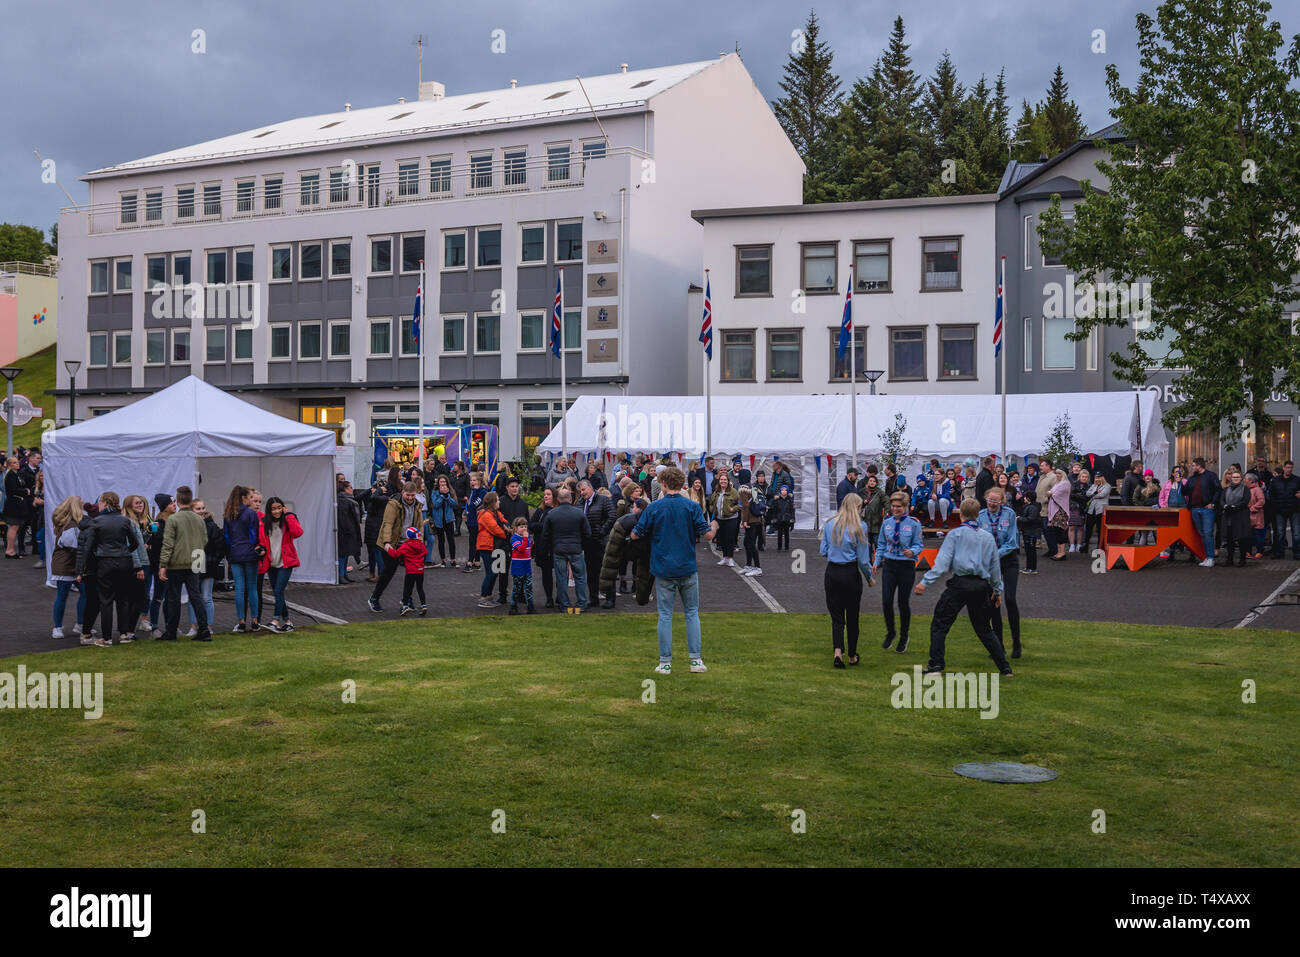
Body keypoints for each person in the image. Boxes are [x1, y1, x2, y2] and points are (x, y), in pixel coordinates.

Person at [914, 498, 1013, 677]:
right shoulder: (987, 536)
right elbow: (994, 568)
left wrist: (925, 581)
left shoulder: (955, 534)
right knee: (983, 627)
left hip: (960, 584)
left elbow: (942, 563)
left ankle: (936, 665)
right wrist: (997, 590)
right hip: (981, 585)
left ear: (961, 514)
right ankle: (1004, 667)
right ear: (978, 515)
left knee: (940, 623)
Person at [631, 467, 717, 674]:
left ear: (663, 484)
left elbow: (635, 534)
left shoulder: (654, 508)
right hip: (686, 566)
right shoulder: (691, 507)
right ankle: (695, 661)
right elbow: (707, 536)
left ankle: (665, 662)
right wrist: (714, 526)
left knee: (665, 615)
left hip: (663, 568)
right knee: (691, 613)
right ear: (681, 484)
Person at [76, 491, 143, 646]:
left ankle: (106, 638)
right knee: (123, 599)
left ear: (105, 502)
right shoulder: (125, 521)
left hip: (105, 562)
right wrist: (124, 551)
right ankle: (124, 634)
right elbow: (134, 543)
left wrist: (81, 569)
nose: (98, 504)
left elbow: (88, 547)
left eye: (100, 501)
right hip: (124, 561)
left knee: (105, 600)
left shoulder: (97, 521)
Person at [818, 492, 875, 669]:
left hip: (833, 572)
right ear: (856, 507)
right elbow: (863, 560)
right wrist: (870, 578)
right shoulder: (860, 527)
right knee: (852, 616)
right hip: (850, 573)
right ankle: (852, 654)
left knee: (836, 617)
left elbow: (823, 550)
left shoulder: (830, 524)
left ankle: (837, 652)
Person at [157, 486, 214, 642]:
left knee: (173, 598)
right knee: (196, 596)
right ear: (190, 499)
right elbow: (204, 540)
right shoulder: (199, 519)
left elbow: (168, 543)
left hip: (177, 562)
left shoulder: (173, 519)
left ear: (178, 499)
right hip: (196, 559)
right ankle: (204, 630)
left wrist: (163, 564)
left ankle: (171, 632)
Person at [873, 491, 921, 653]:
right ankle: (891, 632)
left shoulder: (914, 523)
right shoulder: (887, 523)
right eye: (893, 506)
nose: (895, 509)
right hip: (889, 565)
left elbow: (918, 545)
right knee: (886, 600)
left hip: (906, 566)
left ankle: (904, 636)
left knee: (902, 602)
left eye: (898, 506)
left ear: (906, 507)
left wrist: (912, 552)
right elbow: (880, 544)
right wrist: (876, 561)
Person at [979, 487, 1023, 659]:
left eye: (996, 501)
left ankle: (1016, 642)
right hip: (989, 564)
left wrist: (995, 554)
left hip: (1008, 560)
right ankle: (999, 645)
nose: (992, 504)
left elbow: (1012, 541)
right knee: (993, 603)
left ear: (1002, 501)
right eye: (990, 500)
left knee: (1010, 599)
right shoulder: (981, 515)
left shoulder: (1009, 514)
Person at [368, 481, 423, 612]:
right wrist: (387, 543)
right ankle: (374, 598)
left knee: (412, 572)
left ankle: (406, 599)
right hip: (392, 543)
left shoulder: (417, 506)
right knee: (389, 571)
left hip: (407, 543)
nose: (410, 498)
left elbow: (419, 526)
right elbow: (387, 524)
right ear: (403, 492)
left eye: (412, 495)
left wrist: (419, 542)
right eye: (407, 495)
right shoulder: (393, 504)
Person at [540, 486, 591, 613]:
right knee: (580, 577)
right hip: (575, 548)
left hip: (559, 549)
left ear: (558, 499)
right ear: (570, 498)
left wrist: (550, 547)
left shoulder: (552, 514)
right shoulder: (579, 513)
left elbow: (545, 535)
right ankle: (581, 604)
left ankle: (565, 605)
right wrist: (581, 545)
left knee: (561, 577)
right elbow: (587, 533)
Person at [258, 497, 302, 633]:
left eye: (279, 508)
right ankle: (288, 622)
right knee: (278, 593)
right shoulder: (264, 523)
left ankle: (275, 620)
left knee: (278, 591)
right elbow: (261, 541)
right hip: (271, 563)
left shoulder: (288, 520)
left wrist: (289, 516)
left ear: (283, 508)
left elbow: (297, 533)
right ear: (269, 510)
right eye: (273, 509)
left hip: (286, 562)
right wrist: (260, 549)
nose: (276, 511)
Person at [223, 486, 263, 632]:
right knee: (252, 587)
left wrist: (229, 556)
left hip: (235, 554)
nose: (251, 499)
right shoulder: (251, 514)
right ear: (243, 498)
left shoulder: (228, 515)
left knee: (239, 588)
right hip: (250, 553)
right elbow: (254, 536)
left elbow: (226, 538)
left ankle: (241, 621)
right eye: (249, 497)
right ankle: (254, 620)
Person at [49, 496, 87, 640]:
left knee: (85, 593)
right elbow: (75, 546)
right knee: (62, 595)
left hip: (74, 564)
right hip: (64, 564)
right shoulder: (70, 526)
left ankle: (80, 624)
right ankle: (57, 627)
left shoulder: (71, 524)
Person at [187, 499, 224, 636]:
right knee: (193, 596)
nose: (202, 511)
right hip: (193, 563)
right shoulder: (188, 525)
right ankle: (193, 626)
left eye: (203, 508)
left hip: (208, 564)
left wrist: (212, 561)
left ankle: (208, 626)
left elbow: (219, 546)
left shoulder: (211, 526)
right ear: (192, 510)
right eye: (198, 508)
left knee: (207, 597)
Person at [578, 479, 614, 608]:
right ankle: (593, 598)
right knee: (591, 572)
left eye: (583, 489)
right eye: (580, 491)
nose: (582, 493)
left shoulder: (603, 499)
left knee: (605, 571)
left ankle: (610, 598)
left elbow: (612, 516)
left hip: (601, 541)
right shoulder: (580, 503)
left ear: (590, 488)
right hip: (588, 543)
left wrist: (602, 531)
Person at [475, 491, 510, 608]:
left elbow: (505, 521)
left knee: (494, 572)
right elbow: (495, 529)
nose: (499, 502)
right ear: (493, 502)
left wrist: (506, 526)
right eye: (497, 500)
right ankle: (483, 597)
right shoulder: (486, 515)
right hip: (486, 546)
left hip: (492, 545)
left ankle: (488, 596)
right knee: (491, 573)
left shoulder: (495, 513)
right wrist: (507, 533)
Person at [1186, 457, 1222, 567]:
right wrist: (1179, 483)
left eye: (1193, 465)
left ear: (1199, 466)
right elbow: (1185, 492)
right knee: (1202, 534)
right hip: (1195, 509)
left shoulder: (1211, 476)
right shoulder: (1192, 478)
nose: (1191, 467)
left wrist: (1213, 503)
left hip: (1207, 509)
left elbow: (1218, 490)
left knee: (1207, 533)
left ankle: (1210, 557)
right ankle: (1206, 557)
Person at [387, 526, 428, 615]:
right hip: (420, 570)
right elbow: (425, 552)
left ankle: (405, 606)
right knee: (420, 588)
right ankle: (424, 605)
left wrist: (388, 548)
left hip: (410, 571)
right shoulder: (421, 544)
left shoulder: (406, 545)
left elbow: (395, 554)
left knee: (407, 589)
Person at [1219, 468, 1253, 567]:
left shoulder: (1245, 489)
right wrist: (1225, 506)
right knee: (1229, 540)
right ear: (1231, 478)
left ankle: (1242, 559)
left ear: (1241, 478)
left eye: (1237, 477)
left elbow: (1246, 501)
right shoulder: (1226, 489)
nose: (1235, 479)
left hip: (1240, 517)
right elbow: (1221, 500)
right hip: (1228, 517)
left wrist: (1235, 507)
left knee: (1241, 539)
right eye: (1234, 477)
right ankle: (1229, 559)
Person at [529, 487, 557, 607]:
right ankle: (549, 598)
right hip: (543, 548)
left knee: (561, 574)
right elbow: (531, 525)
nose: (545, 496)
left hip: (556, 547)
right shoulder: (540, 511)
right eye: (545, 494)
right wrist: (544, 526)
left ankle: (561, 597)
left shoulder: (557, 510)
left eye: (548, 494)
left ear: (554, 497)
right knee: (546, 574)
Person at [357, 479, 389, 583]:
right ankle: (371, 572)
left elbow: (374, 497)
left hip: (377, 527)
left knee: (377, 552)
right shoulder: (373, 496)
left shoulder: (383, 498)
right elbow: (358, 497)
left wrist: (378, 491)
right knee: (371, 552)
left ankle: (381, 574)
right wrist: (370, 490)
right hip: (370, 527)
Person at [1268, 460, 1300, 559]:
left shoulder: (1297, 480)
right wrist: (1276, 505)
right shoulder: (1276, 480)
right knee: (1280, 532)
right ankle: (1280, 552)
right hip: (1280, 510)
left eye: (1291, 468)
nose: (1289, 469)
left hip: (1294, 510)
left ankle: (1297, 553)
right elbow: (1271, 494)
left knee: (1296, 533)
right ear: (1284, 468)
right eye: (1287, 467)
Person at [427, 474, 459, 569]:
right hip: (438, 520)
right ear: (438, 483)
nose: (442, 484)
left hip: (449, 519)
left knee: (451, 540)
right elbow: (436, 504)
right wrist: (442, 495)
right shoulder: (434, 492)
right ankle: (443, 560)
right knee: (441, 541)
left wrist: (447, 496)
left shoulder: (451, 491)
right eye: (441, 482)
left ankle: (453, 560)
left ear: (447, 483)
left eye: (444, 482)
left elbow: (454, 504)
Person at [3, 455, 32, 558]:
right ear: (10, 465)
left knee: (15, 527)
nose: (17, 463)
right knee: (13, 527)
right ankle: (10, 550)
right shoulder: (11, 475)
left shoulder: (16, 474)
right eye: (14, 463)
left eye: (17, 462)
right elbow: (13, 489)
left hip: (17, 504)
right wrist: (25, 491)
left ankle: (10, 550)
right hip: (13, 505)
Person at [710, 470, 741, 566]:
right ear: (719, 481)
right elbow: (711, 503)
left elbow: (740, 504)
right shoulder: (716, 491)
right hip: (719, 519)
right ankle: (724, 557)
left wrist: (733, 509)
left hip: (731, 518)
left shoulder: (733, 492)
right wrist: (713, 510)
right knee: (721, 538)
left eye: (725, 480)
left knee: (730, 538)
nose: (723, 481)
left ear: (728, 481)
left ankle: (730, 558)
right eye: (721, 479)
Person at [507, 517, 536, 615]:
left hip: (527, 567)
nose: (524, 529)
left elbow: (528, 549)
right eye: (521, 527)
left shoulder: (526, 538)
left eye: (525, 527)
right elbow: (521, 549)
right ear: (515, 528)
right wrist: (525, 538)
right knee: (517, 588)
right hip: (518, 568)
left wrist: (530, 542)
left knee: (528, 588)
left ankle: (530, 607)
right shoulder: (514, 538)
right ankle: (513, 607)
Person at [738, 485, 766, 577]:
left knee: (750, 543)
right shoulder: (752, 488)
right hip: (757, 519)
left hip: (751, 520)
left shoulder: (743, 489)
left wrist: (744, 521)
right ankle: (748, 565)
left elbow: (745, 506)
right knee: (747, 542)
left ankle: (758, 568)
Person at [337, 481, 362, 583]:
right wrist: (349, 529)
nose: (352, 490)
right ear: (345, 489)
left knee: (346, 554)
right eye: (350, 488)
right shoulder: (343, 501)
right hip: (345, 532)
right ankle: (341, 575)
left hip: (347, 531)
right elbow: (344, 518)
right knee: (343, 554)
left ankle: (344, 574)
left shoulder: (346, 500)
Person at [1083, 471, 1111, 552]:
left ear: (1102, 478)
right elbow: (1087, 493)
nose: (1097, 479)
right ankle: (1086, 546)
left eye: (1099, 477)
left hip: (1100, 510)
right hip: (1091, 510)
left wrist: (1093, 494)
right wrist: (1095, 493)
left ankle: (1099, 547)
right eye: (1096, 477)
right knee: (1088, 529)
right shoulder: (1093, 485)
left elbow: (1102, 494)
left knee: (1100, 529)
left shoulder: (1107, 486)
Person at [1046, 470, 1071, 560]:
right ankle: (1058, 552)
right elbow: (1049, 493)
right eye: (1056, 473)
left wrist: (1050, 493)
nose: (1058, 475)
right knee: (1056, 531)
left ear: (1064, 474)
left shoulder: (1065, 484)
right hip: (1055, 511)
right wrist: (1050, 493)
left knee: (1061, 531)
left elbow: (1054, 494)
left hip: (1061, 511)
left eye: (1059, 473)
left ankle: (1062, 553)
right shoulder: (1057, 484)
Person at [465, 472, 487, 572]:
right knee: (475, 540)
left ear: (479, 481)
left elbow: (474, 504)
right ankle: (477, 561)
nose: (472, 482)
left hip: (478, 520)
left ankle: (470, 562)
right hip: (471, 519)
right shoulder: (472, 491)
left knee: (473, 541)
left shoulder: (482, 491)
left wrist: (475, 491)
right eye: (471, 480)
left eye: (474, 480)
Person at [1246, 471, 1267, 559]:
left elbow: (1262, 501)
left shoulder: (1257, 489)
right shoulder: (1246, 489)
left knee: (1258, 535)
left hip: (1257, 517)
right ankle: (1248, 552)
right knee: (1248, 535)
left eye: (1245, 479)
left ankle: (1259, 551)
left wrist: (1252, 508)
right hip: (1247, 517)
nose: (1244, 480)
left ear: (1251, 480)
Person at [769, 484, 795, 551]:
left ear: (787, 491)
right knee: (779, 534)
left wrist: (792, 519)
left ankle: (786, 547)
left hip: (787, 519)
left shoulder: (790, 500)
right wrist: (774, 518)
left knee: (787, 534)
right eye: (782, 490)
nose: (784, 491)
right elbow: (774, 510)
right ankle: (779, 547)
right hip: (779, 519)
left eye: (785, 490)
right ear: (780, 491)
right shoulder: (777, 500)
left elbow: (792, 510)